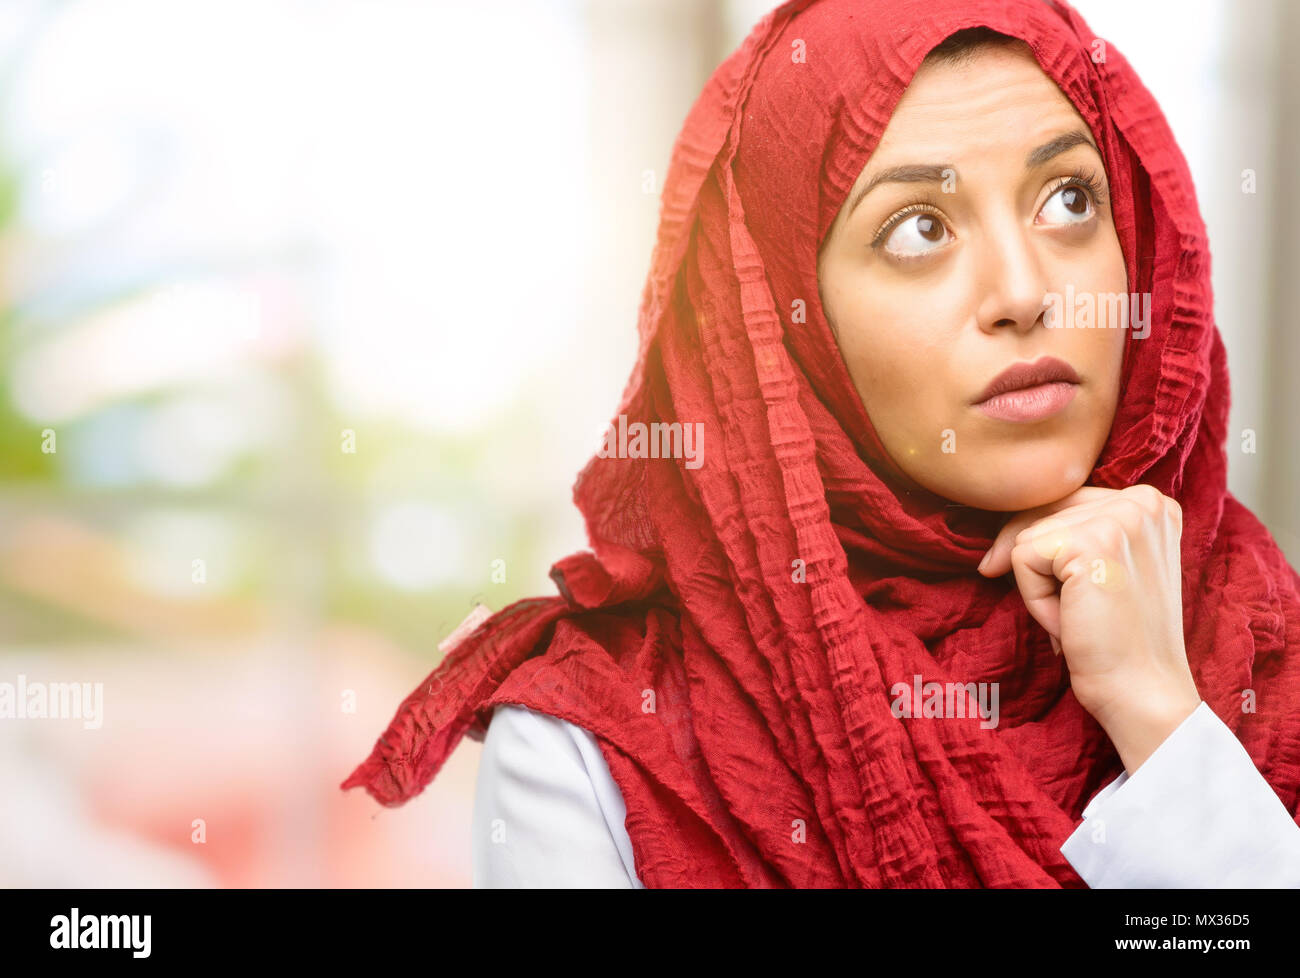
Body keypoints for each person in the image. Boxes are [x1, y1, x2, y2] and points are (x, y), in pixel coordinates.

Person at [342, 0, 1300, 888]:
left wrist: (1161, 718)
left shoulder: (1260, 647)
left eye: (1068, 202)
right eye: (919, 227)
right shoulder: (596, 748)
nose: (1023, 290)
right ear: (782, 326)